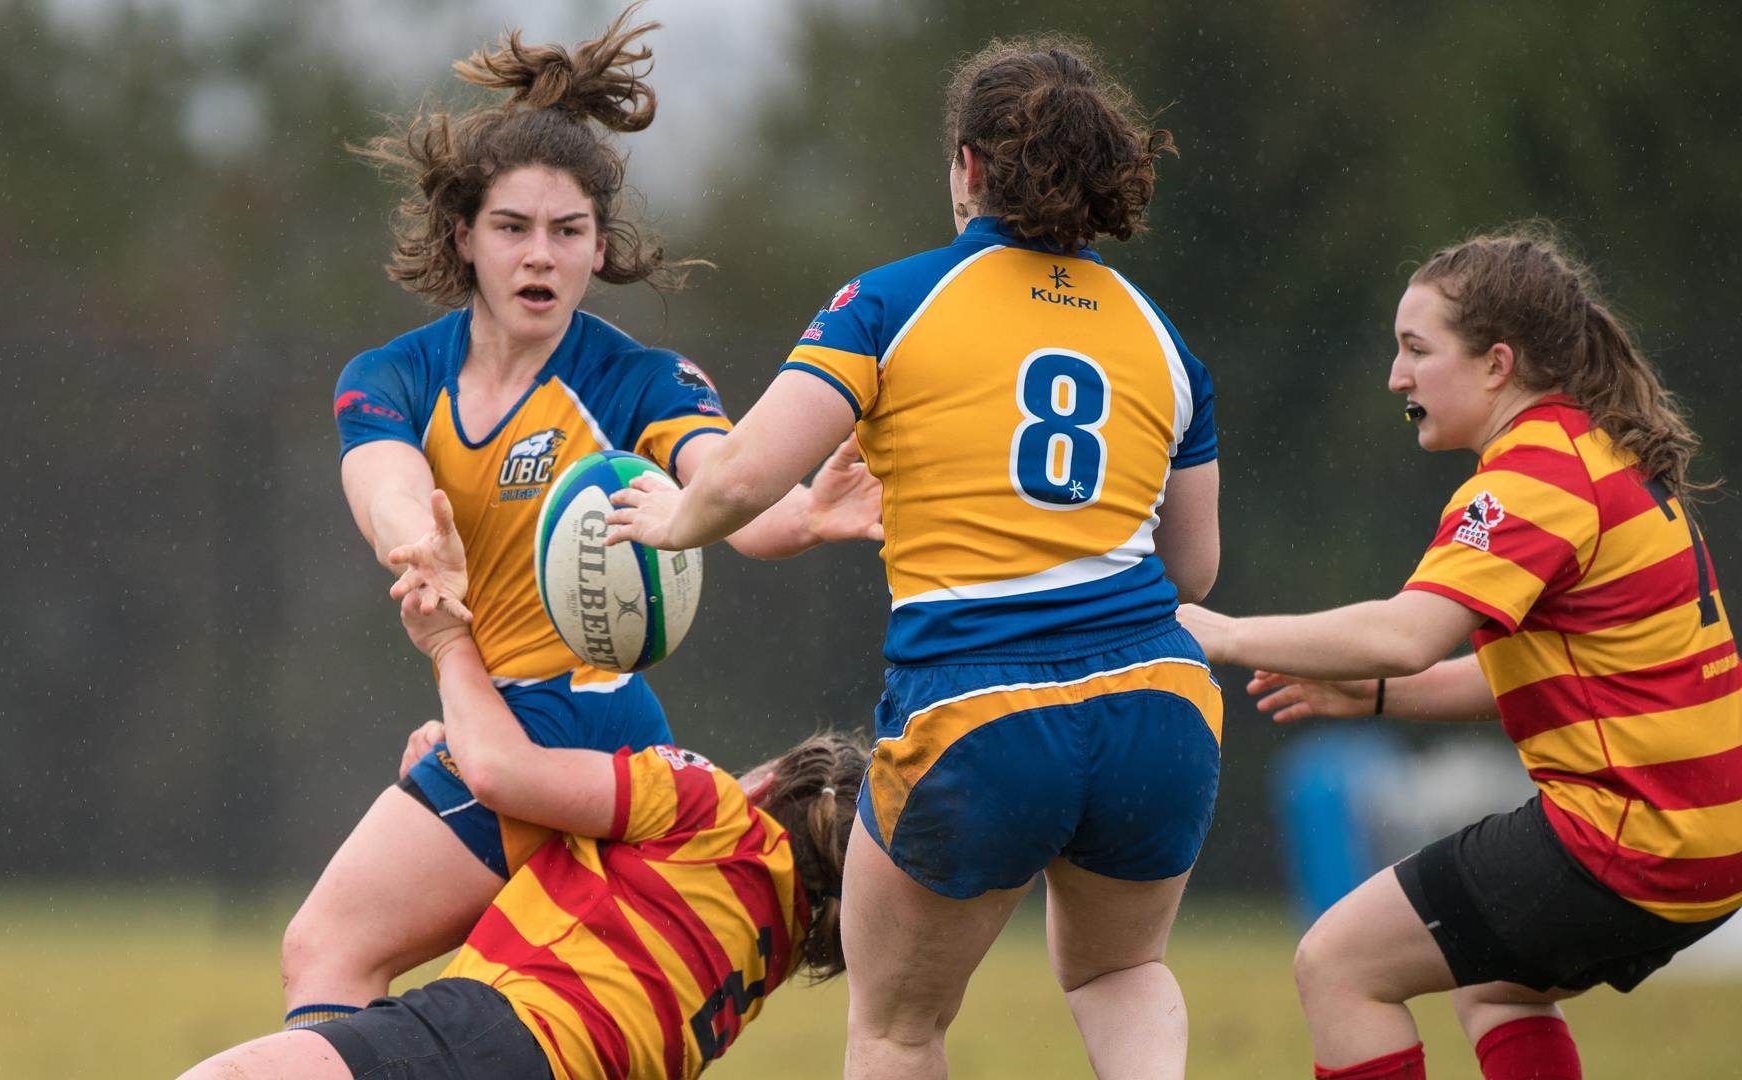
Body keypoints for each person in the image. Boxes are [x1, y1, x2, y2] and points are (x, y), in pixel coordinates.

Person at [607, 35, 1220, 1080]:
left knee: (899, 1025)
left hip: (979, 716)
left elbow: (749, 472)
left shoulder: (889, 301)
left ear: (970, 167)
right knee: (1120, 976)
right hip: (1158, 704)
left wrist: (672, 518)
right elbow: (1194, 568)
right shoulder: (1163, 339)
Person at [287, 5, 882, 1030]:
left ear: (599, 247)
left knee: (330, 949)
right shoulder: (392, 375)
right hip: (517, 722)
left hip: (566, 724)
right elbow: (383, 480)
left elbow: (727, 489)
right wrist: (412, 538)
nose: (540, 257)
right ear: (463, 235)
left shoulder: (635, 379)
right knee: (517, 1007)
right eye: (513, 229)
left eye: (568, 233)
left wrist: (804, 514)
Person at [1179, 223, 1739, 1080]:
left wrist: (1221, 633)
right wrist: (1368, 698)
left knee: (1338, 966)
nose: (1397, 376)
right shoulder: (1598, 451)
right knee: (1500, 984)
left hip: (1629, 838)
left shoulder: (1531, 479)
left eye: (1416, 349)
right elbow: (1546, 677)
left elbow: (1408, 636)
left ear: (1497, 364)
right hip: (1705, 835)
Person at [182, 492, 869, 1080]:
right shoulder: (767, 948)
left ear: (766, 781)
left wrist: (450, 647)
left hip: (505, 1037)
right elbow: (570, 901)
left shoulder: (708, 801)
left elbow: (500, 773)